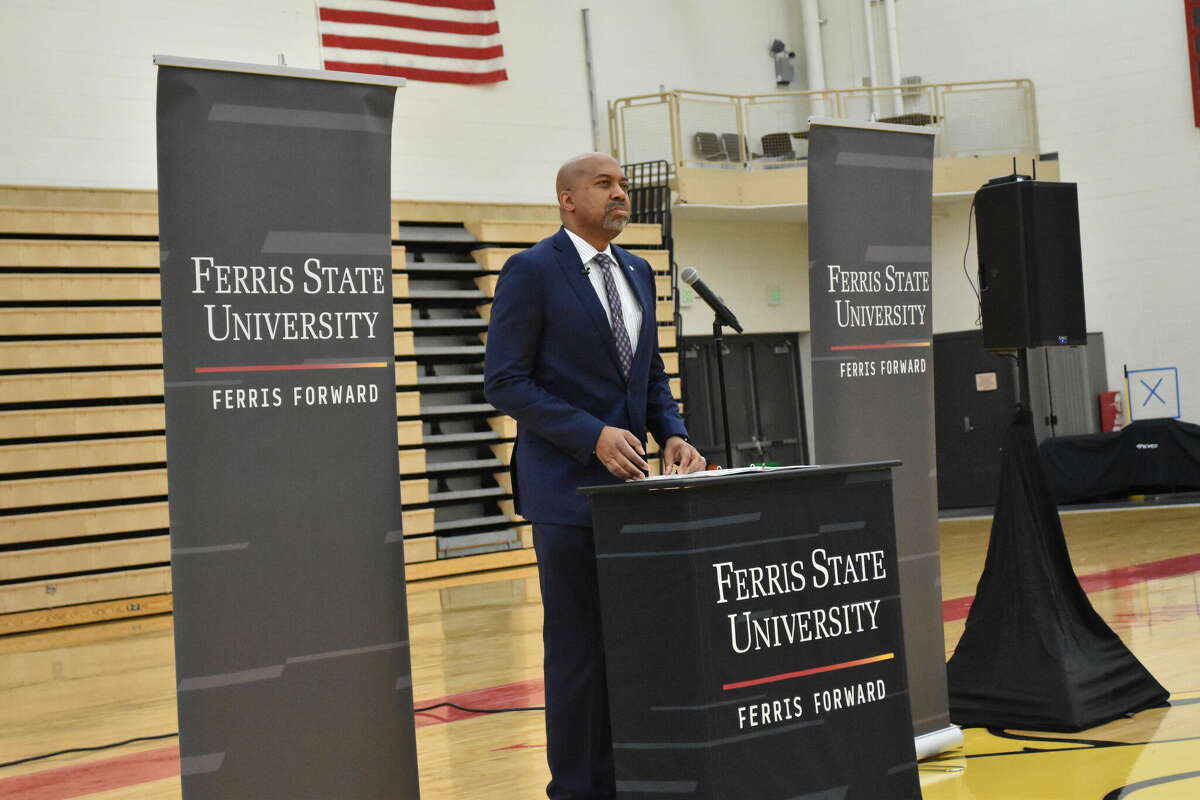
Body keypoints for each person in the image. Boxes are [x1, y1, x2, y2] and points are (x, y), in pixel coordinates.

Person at [484, 152, 706, 799]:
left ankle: (635, 775)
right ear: (566, 198)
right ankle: (578, 789)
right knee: (580, 653)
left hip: (638, 498)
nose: (620, 194)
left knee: (636, 647)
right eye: (604, 184)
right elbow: (506, 381)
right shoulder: (531, 270)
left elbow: (650, 377)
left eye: (624, 186)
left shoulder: (637, 271)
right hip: (566, 496)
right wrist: (592, 434)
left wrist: (675, 432)